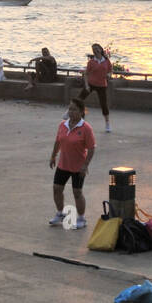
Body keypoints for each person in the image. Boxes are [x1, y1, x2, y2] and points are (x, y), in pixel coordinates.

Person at [48, 98, 96, 229]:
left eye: (74, 109)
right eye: (69, 109)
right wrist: (53, 156)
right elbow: (58, 141)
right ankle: (60, 213)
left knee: (77, 192)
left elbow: (91, 149)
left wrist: (85, 165)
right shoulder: (62, 125)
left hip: (78, 167)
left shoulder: (86, 128)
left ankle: (81, 218)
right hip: (63, 164)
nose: (71, 112)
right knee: (57, 189)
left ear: (81, 112)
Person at [78, 43, 113, 133]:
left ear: (101, 49)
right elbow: (86, 74)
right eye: (93, 49)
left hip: (102, 85)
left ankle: (107, 123)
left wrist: (109, 75)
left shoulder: (106, 61)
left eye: (97, 48)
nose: (95, 50)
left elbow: (110, 70)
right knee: (79, 99)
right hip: (91, 83)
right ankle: (69, 113)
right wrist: (86, 85)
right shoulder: (91, 62)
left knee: (103, 105)